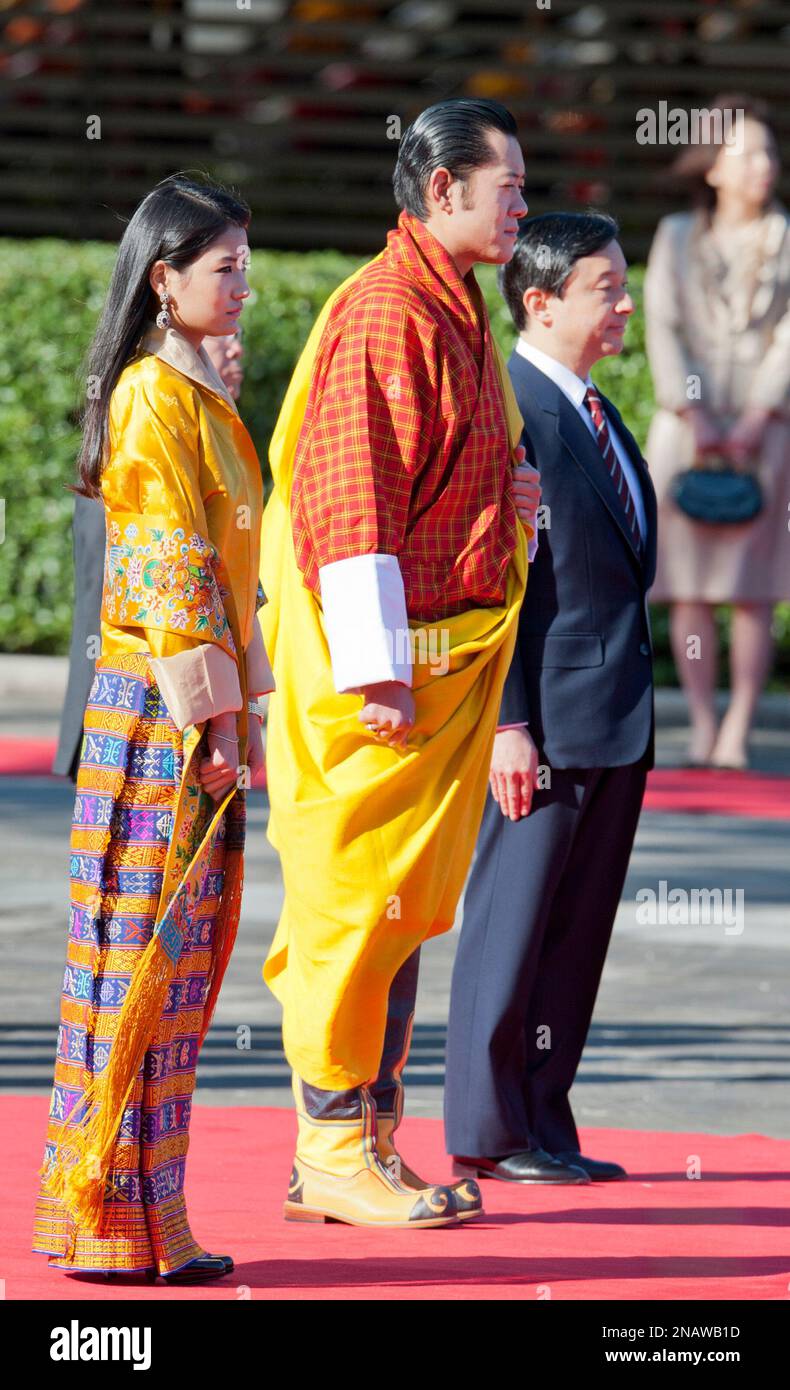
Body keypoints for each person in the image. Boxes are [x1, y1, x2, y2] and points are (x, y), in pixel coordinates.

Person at [258, 98, 540, 1227]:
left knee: (398, 909)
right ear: (442, 191)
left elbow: (447, 477)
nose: (521, 207)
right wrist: (374, 670)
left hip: (434, 659)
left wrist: (510, 500)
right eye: (508, 187)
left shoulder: (450, 303)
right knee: (355, 906)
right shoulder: (388, 310)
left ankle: (366, 1140)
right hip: (388, 674)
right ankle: (332, 1147)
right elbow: (348, 499)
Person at [33, 174, 274, 1283]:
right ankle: (108, 1216)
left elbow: (230, 573)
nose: (244, 284)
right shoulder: (149, 396)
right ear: (165, 281)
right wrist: (216, 718)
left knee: (171, 968)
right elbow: (171, 574)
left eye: (244, 263)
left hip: (190, 708)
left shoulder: (194, 391)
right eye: (227, 266)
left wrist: (237, 707)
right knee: (138, 960)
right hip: (159, 718)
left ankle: (139, 1217)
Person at [444, 212, 657, 1185]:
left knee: (572, 936)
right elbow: (497, 584)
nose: (625, 305)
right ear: (539, 302)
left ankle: (542, 1119)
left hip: (612, 717)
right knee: (511, 925)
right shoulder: (514, 406)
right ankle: (489, 1129)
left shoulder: (591, 407)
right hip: (543, 721)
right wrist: (509, 721)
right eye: (605, 288)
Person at [644, 93, 790, 768]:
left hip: (768, 428)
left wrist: (759, 412)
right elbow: (662, 326)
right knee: (689, 584)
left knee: (754, 587)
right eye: (747, 154)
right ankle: (703, 724)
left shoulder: (786, 235)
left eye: (769, 153)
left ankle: (739, 729)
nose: (764, 166)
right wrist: (695, 410)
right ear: (713, 167)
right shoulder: (675, 234)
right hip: (687, 429)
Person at [53, 331, 246, 782]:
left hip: (207, 690)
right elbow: (170, 579)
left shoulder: (218, 426)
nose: (237, 349)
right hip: (156, 693)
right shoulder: (149, 397)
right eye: (226, 338)